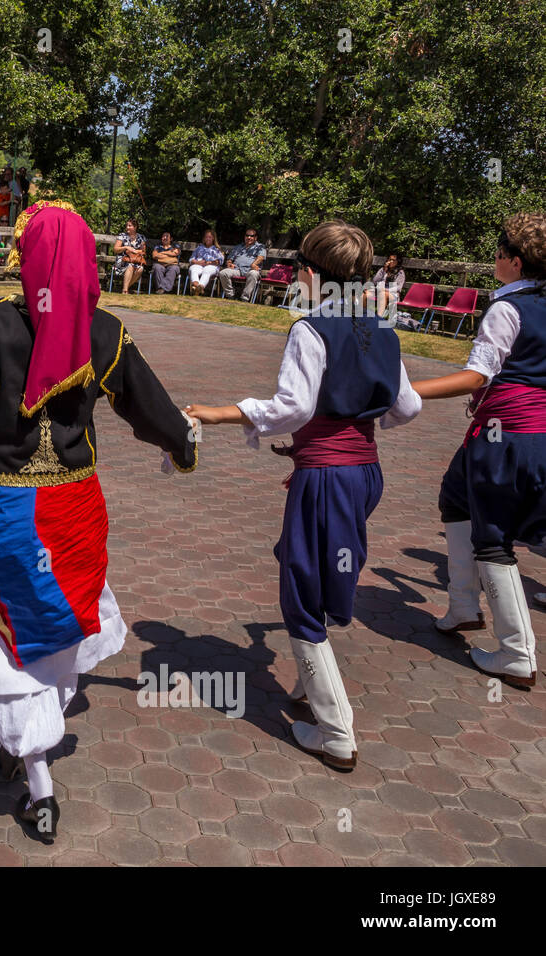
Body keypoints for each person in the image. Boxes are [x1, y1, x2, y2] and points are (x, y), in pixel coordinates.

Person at [0, 200, 198, 838]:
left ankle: (39, 784)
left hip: (6, 511)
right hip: (76, 508)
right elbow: (153, 411)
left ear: (27, 258)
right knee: (55, 629)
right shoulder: (105, 332)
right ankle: (25, 745)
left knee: (11, 643)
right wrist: (181, 439)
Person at [185, 220, 422, 770]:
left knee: (300, 587)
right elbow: (407, 407)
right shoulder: (383, 329)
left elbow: (293, 407)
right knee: (307, 566)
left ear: (311, 275)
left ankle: (336, 732)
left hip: (328, 477)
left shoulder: (311, 329)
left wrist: (225, 412)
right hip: (365, 473)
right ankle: (308, 680)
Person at [412, 212, 546, 691]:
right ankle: (464, 606)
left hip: (505, 437)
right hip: (529, 435)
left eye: (498, 251)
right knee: (454, 499)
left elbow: (477, 375)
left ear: (513, 261)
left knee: (492, 538)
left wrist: (406, 389)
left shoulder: (507, 310)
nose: (493, 257)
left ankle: (516, 652)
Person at [219, 228, 267, 300]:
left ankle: (244, 297)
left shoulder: (260, 247)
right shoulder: (238, 247)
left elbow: (261, 257)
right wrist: (229, 264)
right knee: (223, 273)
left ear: (255, 238)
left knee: (253, 274)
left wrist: (253, 264)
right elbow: (229, 259)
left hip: (251, 269)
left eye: (251, 236)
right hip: (237, 269)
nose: (249, 237)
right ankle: (230, 295)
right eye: (247, 235)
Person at [365, 252, 406, 318]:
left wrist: (386, 290)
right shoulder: (382, 270)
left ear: (398, 262)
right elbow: (375, 281)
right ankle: (362, 317)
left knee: (383, 294)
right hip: (378, 292)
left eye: (393, 260)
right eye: (389, 259)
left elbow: (398, 287)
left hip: (393, 295)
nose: (390, 261)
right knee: (366, 293)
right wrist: (384, 270)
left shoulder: (400, 272)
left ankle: (378, 318)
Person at [112, 218, 147, 293]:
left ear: (135, 227)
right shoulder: (122, 236)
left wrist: (134, 251)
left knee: (140, 269)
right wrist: (126, 247)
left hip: (135, 260)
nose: (127, 227)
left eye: (129, 226)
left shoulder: (141, 237)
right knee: (130, 266)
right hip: (123, 260)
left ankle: (125, 288)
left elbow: (144, 251)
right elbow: (115, 249)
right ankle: (125, 290)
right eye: (127, 225)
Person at [187, 229, 225, 294]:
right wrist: (198, 262)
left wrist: (209, 263)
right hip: (198, 265)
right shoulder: (199, 248)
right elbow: (191, 259)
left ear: (213, 238)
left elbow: (219, 261)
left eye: (209, 237)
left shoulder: (216, 249)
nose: (208, 239)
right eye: (206, 237)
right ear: (204, 238)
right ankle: (197, 287)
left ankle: (198, 287)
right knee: (193, 269)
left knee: (207, 271)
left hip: (211, 266)